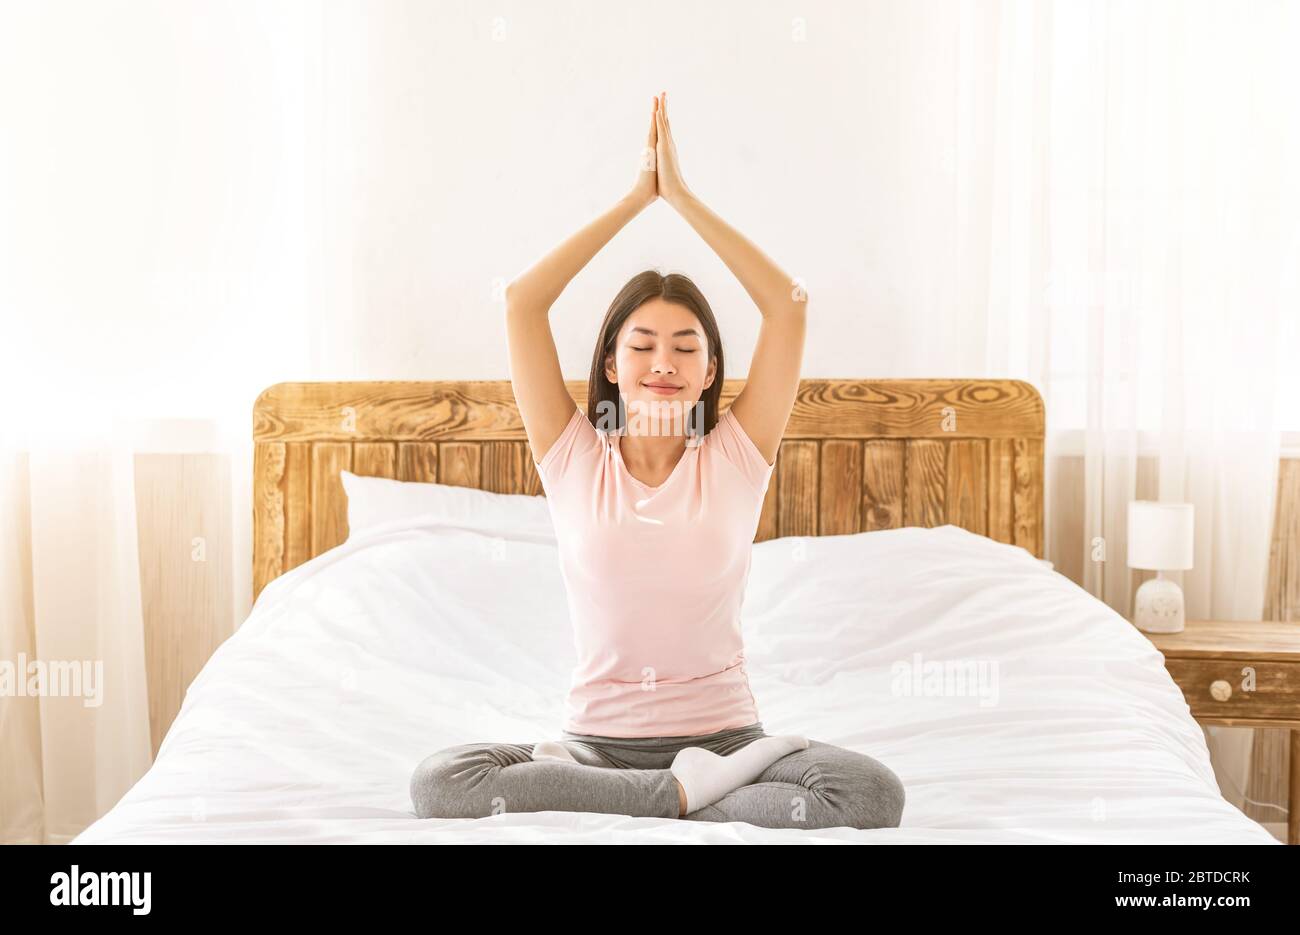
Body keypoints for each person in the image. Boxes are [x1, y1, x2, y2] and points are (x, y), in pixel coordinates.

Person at [410, 92, 904, 830]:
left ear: (710, 371)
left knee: (870, 792)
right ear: (612, 362)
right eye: (641, 345)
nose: (662, 362)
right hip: (593, 748)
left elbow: (788, 305)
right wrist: (635, 201)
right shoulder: (573, 453)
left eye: (685, 347)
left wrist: (684, 198)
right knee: (441, 782)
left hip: (728, 738)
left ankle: (687, 788)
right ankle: (681, 799)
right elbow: (520, 302)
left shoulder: (737, 455)